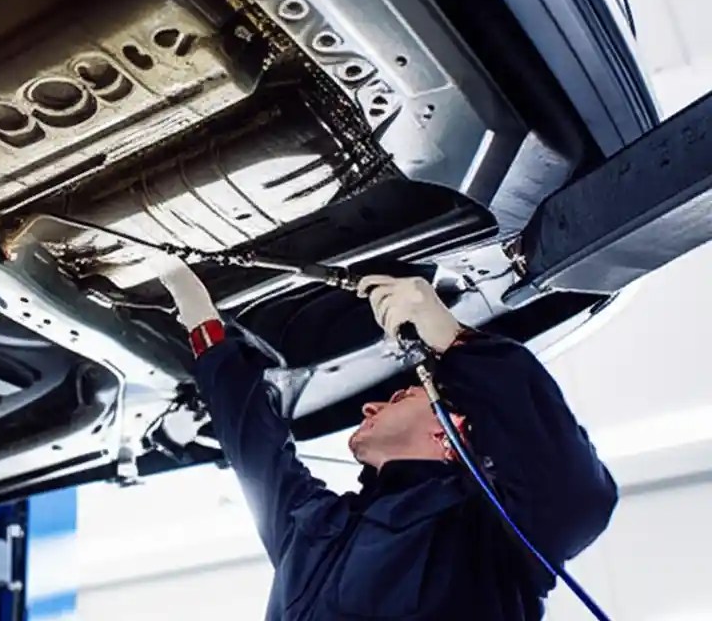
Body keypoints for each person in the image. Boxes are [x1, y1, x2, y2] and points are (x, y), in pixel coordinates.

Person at [153, 262, 618, 620]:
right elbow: (255, 445)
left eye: (396, 396)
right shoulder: (330, 524)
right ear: (448, 428)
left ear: (452, 431)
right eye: (401, 394)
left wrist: (453, 341)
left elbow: (576, 497)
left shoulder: (488, 537)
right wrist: (200, 317)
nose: (368, 406)